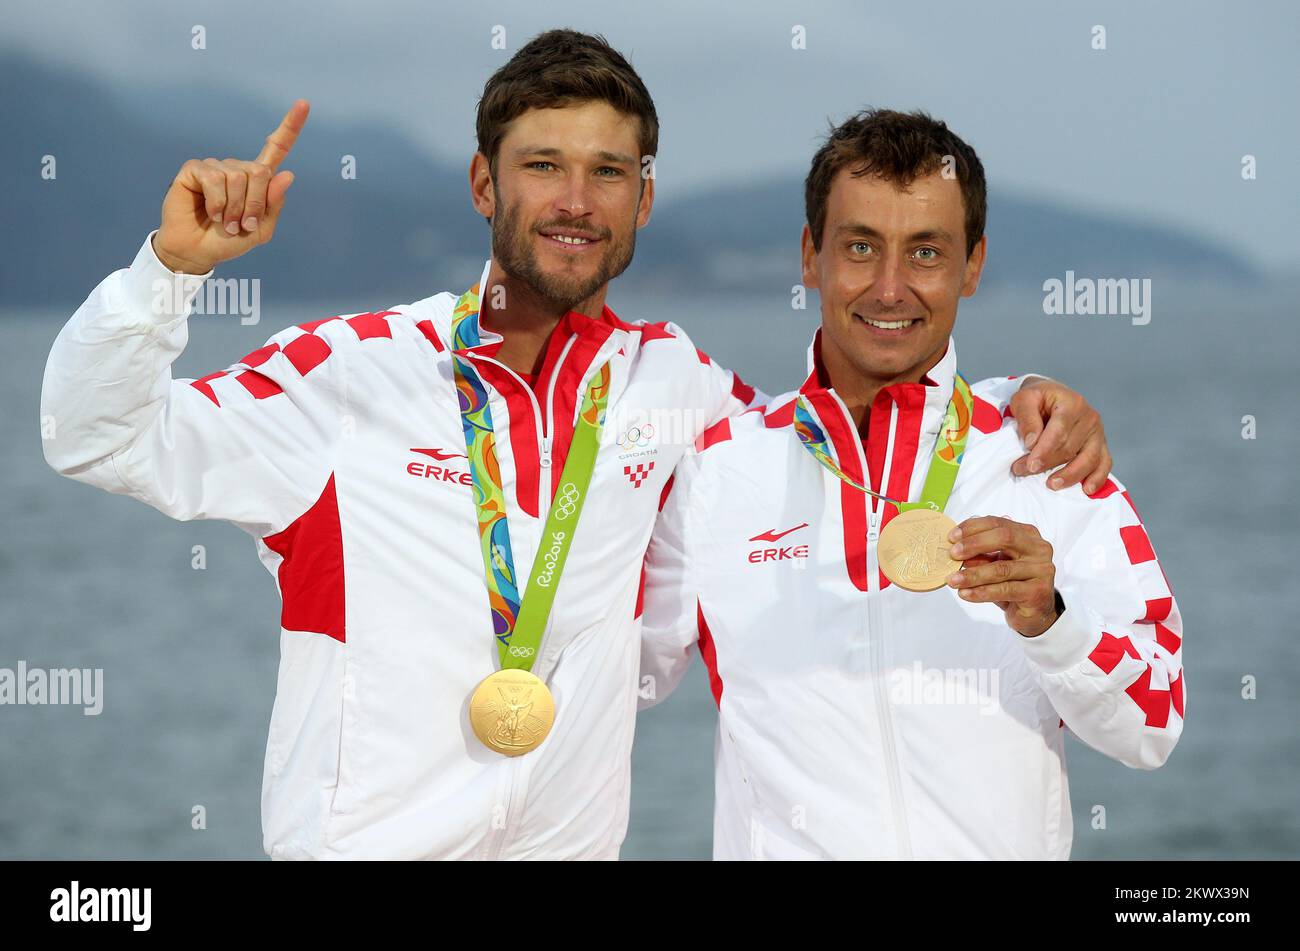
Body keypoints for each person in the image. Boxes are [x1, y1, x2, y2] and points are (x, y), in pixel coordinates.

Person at [40, 31, 1111, 860]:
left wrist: (1013, 398)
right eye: (542, 164)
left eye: (608, 172)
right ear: (482, 184)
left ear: (643, 197)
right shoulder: (351, 374)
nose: (574, 201)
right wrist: (165, 275)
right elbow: (95, 436)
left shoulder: (675, 386)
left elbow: (834, 434)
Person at [640, 108, 1183, 860]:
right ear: (810, 256)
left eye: (925, 252)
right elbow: (607, 677)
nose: (890, 288)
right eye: (860, 246)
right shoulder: (714, 474)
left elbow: (1152, 726)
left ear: (973, 265)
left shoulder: (1047, 460)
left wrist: (1052, 621)